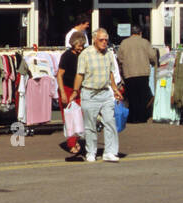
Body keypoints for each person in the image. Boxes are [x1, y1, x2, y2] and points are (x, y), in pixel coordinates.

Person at [74, 28, 123, 162]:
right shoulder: (85, 54)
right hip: (89, 93)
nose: (104, 42)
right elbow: (79, 74)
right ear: (94, 40)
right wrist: (75, 91)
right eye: (101, 40)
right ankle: (91, 152)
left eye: (106, 40)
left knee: (110, 122)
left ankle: (110, 152)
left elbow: (111, 73)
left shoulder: (109, 54)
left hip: (105, 93)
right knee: (90, 125)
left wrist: (115, 89)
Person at [116, 24, 158, 123]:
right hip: (143, 72)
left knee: (131, 96)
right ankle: (142, 117)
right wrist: (153, 63)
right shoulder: (145, 42)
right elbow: (152, 56)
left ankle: (132, 117)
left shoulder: (124, 43)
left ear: (131, 33)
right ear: (140, 33)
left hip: (129, 73)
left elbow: (120, 58)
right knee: (142, 96)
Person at [56, 31, 87, 158]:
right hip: (67, 89)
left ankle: (75, 141)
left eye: (82, 45)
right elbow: (59, 75)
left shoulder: (82, 55)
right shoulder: (66, 56)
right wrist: (63, 93)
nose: (81, 48)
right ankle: (71, 144)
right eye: (79, 45)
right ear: (73, 44)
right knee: (70, 118)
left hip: (78, 89)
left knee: (80, 116)